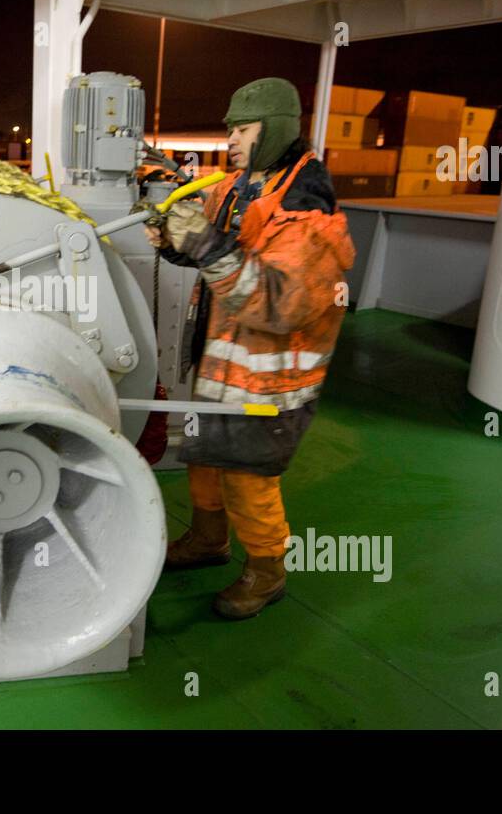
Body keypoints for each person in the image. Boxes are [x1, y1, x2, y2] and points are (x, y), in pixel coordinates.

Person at [144, 77, 355, 619]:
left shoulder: (310, 216)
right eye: (230, 129)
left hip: (269, 383)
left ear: (276, 128)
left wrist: (203, 242)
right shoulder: (239, 187)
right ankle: (209, 541)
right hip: (220, 366)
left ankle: (267, 573)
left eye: (242, 129)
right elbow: (211, 258)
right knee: (203, 459)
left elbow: (276, 302)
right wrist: (174, 240)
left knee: (248, 479)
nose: (231, 140)